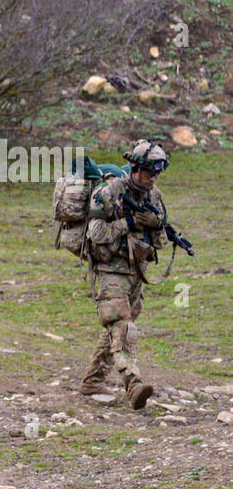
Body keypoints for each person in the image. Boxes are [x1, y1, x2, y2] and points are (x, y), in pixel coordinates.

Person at [80, 140, 175, 409]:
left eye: (157, 173)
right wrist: (129, 222)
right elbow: (96, 234)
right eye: (148, 172)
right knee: (123, 326)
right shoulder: (109, 192)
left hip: (136, 271)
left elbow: (159, 242)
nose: (152, 178)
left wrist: (156, 225)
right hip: (110, 269)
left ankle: (91, 380)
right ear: (135, 167)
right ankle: (133, 384)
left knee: (117, 325)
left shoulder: (154, 196)